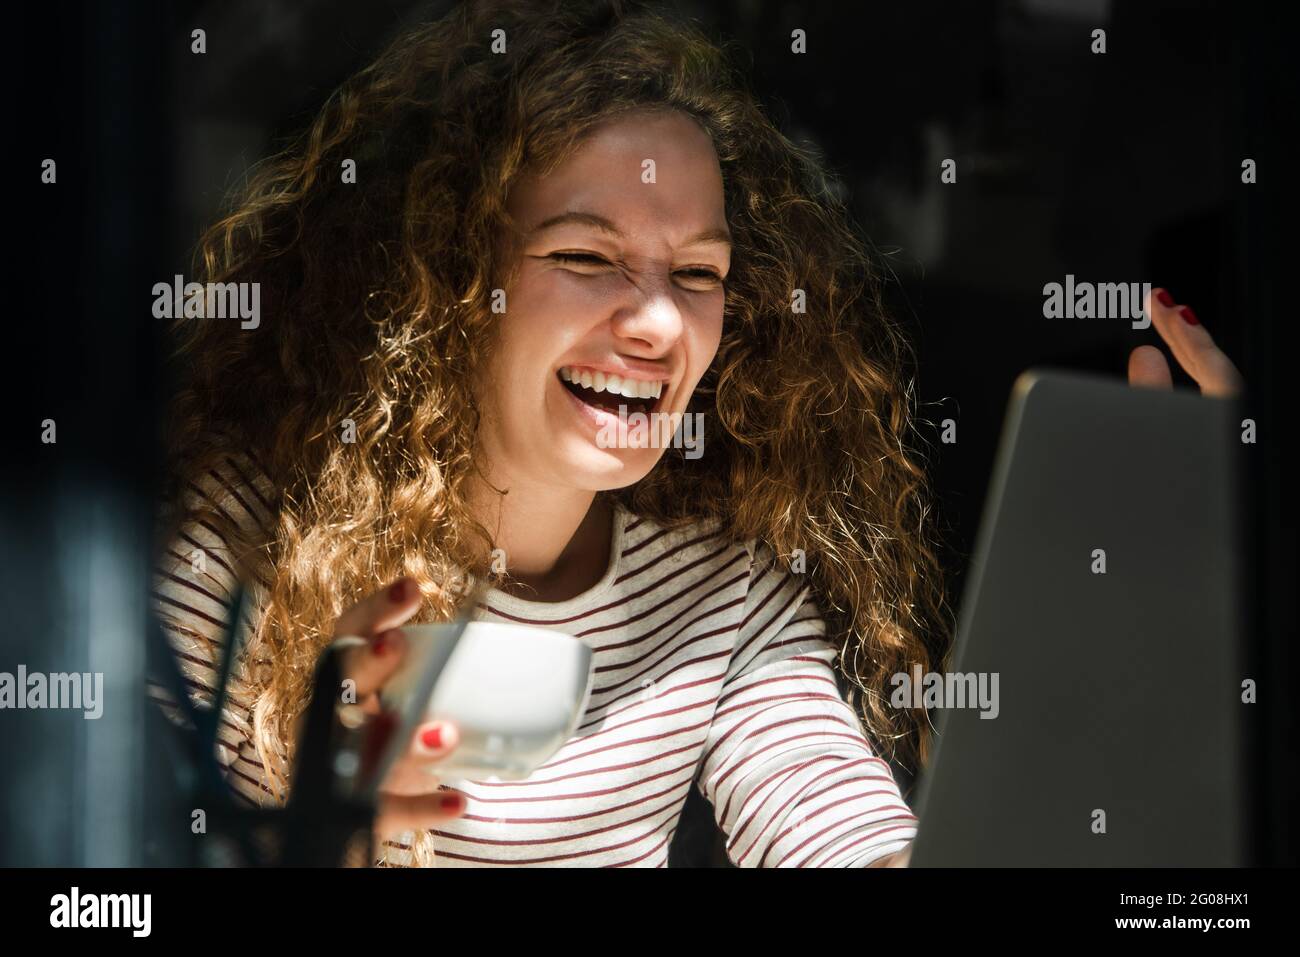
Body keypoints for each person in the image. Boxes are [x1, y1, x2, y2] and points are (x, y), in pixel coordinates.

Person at [148, 0, 1241, 868]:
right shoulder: (239, 553)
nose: (662, 322)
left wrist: (1150, 632)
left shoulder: (722, 594)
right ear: (442, 284)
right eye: (585, 258)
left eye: (700, 275)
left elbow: (850, 841)